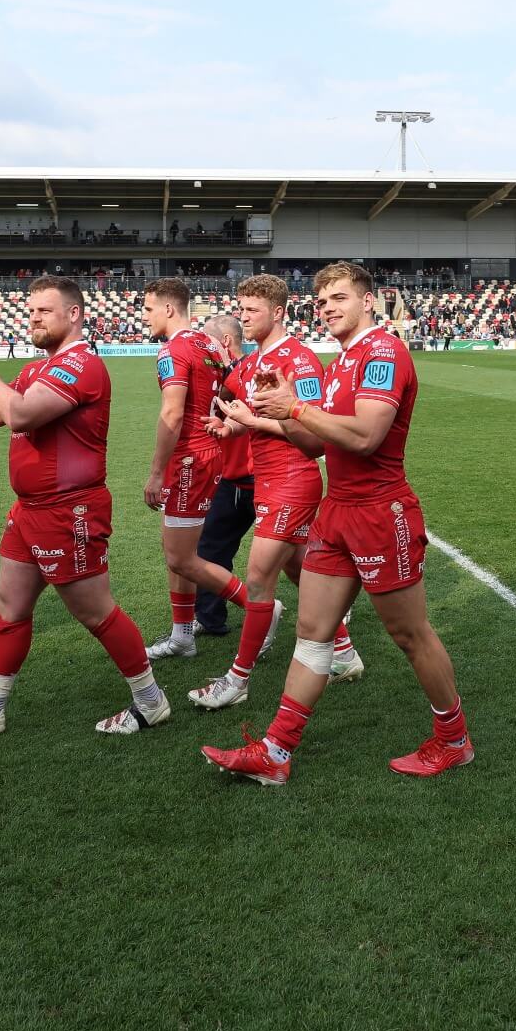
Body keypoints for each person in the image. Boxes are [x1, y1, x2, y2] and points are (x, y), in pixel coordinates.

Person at [202, 262, 470, 784]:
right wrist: (273, 413)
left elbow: (367, 436)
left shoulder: (382, 351)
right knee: (312, 630)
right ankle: (276, 752)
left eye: (339, 298)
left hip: (379, 509)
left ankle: (454, 740)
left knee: (409, 633)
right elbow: (315, 444)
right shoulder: (343, 359)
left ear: (368, 301)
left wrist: (295, 407)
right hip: (338, 511)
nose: (327, 308)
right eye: (321, 301)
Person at [0, 275, 172, 739]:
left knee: (96, 612)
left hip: (69, 510)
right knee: (10, 608)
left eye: (44, 310)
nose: (33, 317)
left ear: (74, 314)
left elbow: (19, 414)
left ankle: (151, 701)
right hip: (30, 510)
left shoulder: (80, 365)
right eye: (31, 309)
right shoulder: (39, 367)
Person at [190, 276, 362, 711]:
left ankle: (237, 679)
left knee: (259, 579)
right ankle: (343, 654)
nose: (243, 317)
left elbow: (309, 428)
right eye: (241, 309)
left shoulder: (299, 361)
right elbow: (237, 407)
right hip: (266, 480)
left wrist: (251, 421)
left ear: (278, 312)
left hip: (292, 480)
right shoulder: (252, 361)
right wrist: (227, 424)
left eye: (252, 310)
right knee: (299, 570)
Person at [138, 277, 256, 658]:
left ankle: (262, 611)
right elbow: (227, 394)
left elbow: (172, 413)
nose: (144, 316)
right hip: (209, 454)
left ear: (169, 309)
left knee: (181, 558)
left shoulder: (174, 349)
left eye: (148, 308)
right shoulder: (210, 344)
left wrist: (156, 473)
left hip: (190, 458)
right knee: (178, 552)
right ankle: (182, 635)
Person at [192, 314, 254, 637]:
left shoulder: (248, 372)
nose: (201, 346)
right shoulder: (218, 374)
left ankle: (334, 612)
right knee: (210, 549)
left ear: (225, 342)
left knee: (291, 556)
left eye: (207, 340)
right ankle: (209, 618)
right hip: (231, 480)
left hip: (261, 478)